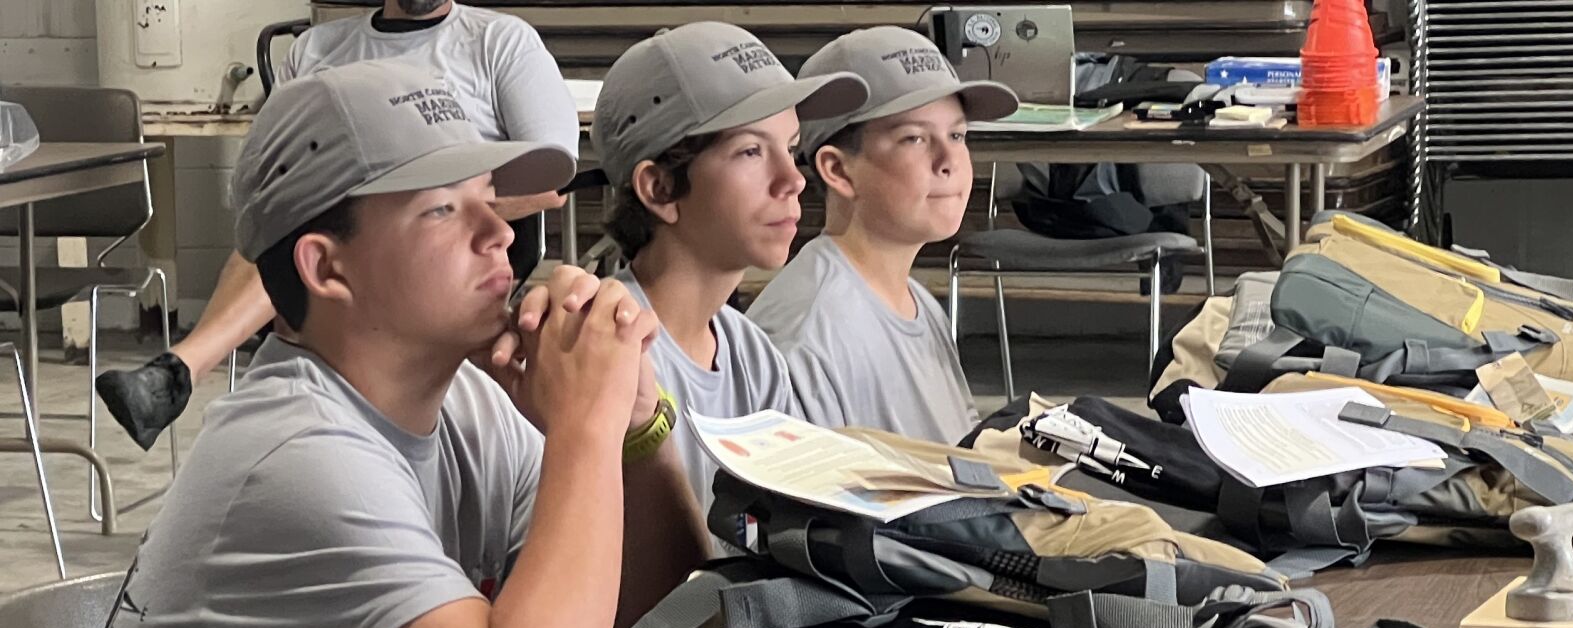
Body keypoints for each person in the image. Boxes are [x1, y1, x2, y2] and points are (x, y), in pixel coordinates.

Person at [62, 59, 706, 628]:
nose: (504, 233)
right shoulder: (296, 454)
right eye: (445, 211)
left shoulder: (466, 407)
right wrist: (582, 428)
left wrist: (637, 430)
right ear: (328, 268)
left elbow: (653, 615)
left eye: (490, 198)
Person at [96, 0, 580, 453]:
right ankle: (182, 373)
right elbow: (271, 180)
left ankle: (182, 368)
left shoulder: (500, 42)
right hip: (332, 253)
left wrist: (438, 204)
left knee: (308, 224)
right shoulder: (317, 49)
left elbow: (554, 178)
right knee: (289, 220)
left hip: (424, 253)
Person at [592, 22, 867, 512]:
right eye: (750, 151)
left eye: (789, 148)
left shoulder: (750, 352)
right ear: (660, 189)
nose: (792, 181)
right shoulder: (605, 348)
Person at [747, 28, 1016, 444]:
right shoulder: (806, 338)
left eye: (957, 135)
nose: (949, 161)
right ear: (838, 170)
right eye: (914, 138)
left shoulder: (918, 302)